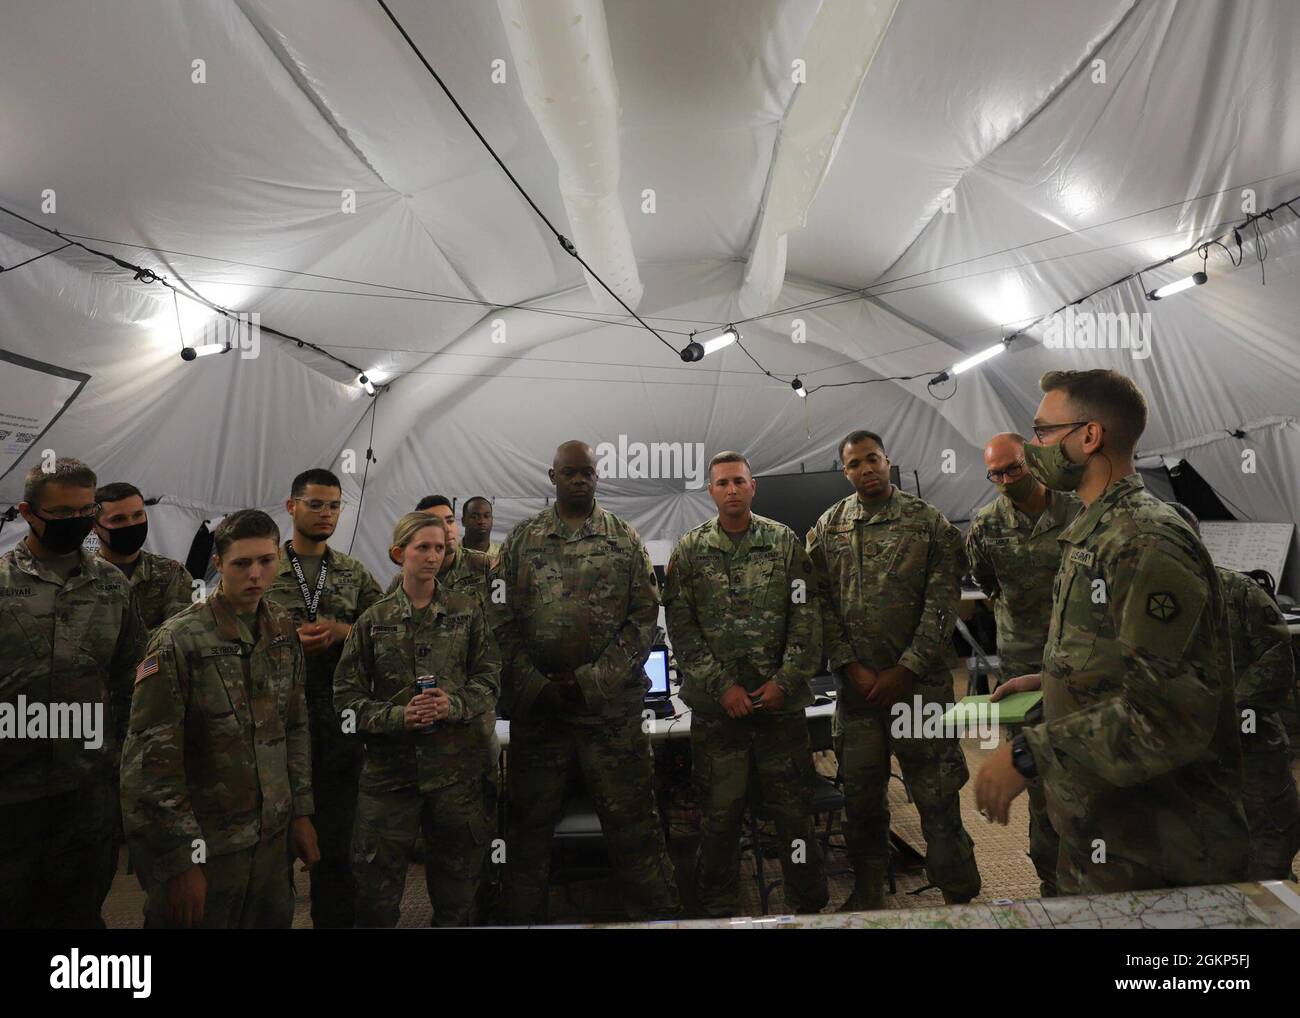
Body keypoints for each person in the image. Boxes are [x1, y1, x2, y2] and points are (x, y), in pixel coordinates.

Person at [975, 369, 1248, 894]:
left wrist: (1031, 753)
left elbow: (1168, 717)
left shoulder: (1145, 541)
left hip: (1155, 844)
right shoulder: (1095, 532)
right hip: (1104, 823)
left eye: (1043, 432)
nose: (1034, 449)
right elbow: (1118, 655)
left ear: (1089, 436)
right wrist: (1051, 679)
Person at [494, 440, 680, 922]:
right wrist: (537, 684)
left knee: (634, 827)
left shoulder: (623, 537)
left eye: (588, 473)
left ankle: (654, 919)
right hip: (541, 717)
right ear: (552, 476)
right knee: (529, 832)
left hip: (609, 715)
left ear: (597, 477)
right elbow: (497, 619)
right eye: (570, 473)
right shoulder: (521, 539)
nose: (580, 480)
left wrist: (589, 682)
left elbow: (644, 618)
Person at [120, 509, 319, 928]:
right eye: (241, 563)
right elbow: (150, 765)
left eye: (266, 561)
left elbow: (295, 725)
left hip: (270, 842)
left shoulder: (282, 628)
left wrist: (300, 811)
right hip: (207, 847)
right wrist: (179, 861)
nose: (255, 575)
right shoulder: (179, 640)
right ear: (218, 565)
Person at [808, 430, 979, 908]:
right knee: (861, 802)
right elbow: (819, 604)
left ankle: (959, 895)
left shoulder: (929, 524)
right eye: (855, 464)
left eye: (873, 460)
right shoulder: (829, 527)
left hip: (918, 692)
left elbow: (942, 604)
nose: (866, 470)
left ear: (888, 461)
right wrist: (849, 665)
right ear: (844, 471)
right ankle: (868, 891)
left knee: (936, 797)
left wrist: (907, 668)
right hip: (858, 695)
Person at [664, 451, 828, 916]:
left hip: (779, 710)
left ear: (753, 486)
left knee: (794, 817)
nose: (732, 490)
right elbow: (683, 629)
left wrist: (784, 680)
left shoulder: (784, 543)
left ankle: (808, 905)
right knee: (719, 820)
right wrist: (721, 688)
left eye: (739, 481)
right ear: (711, 491)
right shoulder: (690, 550)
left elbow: (806, 619)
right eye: (722, 483)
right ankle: (717, 909)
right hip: (720, 717)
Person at [334, 513, 499, 926]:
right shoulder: (372, 622)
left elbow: (490, 677)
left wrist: (454, 705)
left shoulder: (467, 612)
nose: (432, 556)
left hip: (455, 776)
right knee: (376, 895)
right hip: (391, 779)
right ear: (398, 553)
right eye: (422, 547)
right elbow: (346, 701)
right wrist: (395, 717)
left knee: (458, 896)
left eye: (440, 548)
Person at [0, 459, 146, 928]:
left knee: (80, 912)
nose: (77, 522)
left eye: (86, 511)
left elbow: (130, 678)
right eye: (63, 514)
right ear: (27, 511)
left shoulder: (111, 585)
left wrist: (121, 759)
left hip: (87, 792)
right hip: (10, 794)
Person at [262, 469, 382, 928]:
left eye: (334, 505)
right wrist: (287, 639)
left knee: (338, 851)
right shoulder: (262, 567)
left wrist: (341, 633)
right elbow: (230, 636)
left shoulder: (353, 573)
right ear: (292, 507)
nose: (326, 513)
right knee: (271, 853)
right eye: (315, 504)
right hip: (271, 728)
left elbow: (383, 638)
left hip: (337, 731)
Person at [968, 434, 1080, 896]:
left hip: (1081, 655)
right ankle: (1051, 878)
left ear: (1031, 462)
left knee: (1086, 753)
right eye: (996, 474)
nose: (1006, 480)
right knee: (1035, 763)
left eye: (1013, 469)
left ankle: (1098, 867)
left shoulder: (1077, 511)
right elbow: (986, 580)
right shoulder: (987, 524)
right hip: (1022, 660)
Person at [1164, 502, 1299, 881]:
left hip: (1249, 747)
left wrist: (1228, 710)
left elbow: (1277, 660)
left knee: (1270, 851)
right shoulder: (1149, 604)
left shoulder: (1240, 593)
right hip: (1186, 757)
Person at [93, 482, 192, 633]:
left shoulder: (171, 573)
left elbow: (182, 634)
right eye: (118, 519)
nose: (131, 524)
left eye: (138, 515)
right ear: (94, 526)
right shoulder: (81, 576)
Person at [461, 495, 501, 564]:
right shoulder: (451, 554)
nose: (482, 521)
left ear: (492, 520)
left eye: (486, 516)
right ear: (463, 521)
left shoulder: (501, 555)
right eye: (475, 517)